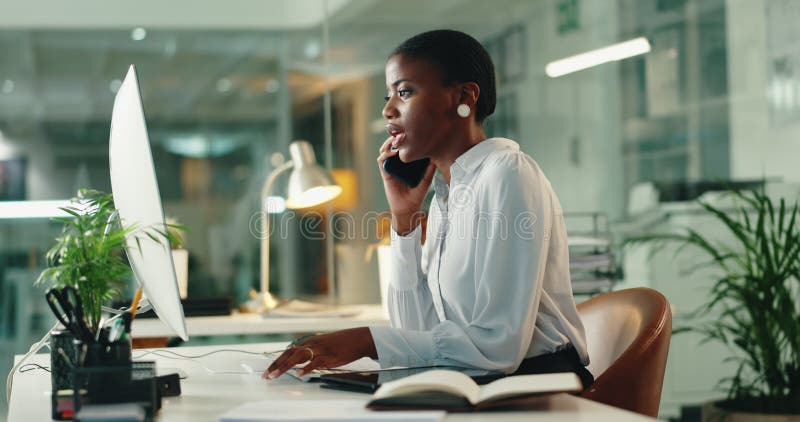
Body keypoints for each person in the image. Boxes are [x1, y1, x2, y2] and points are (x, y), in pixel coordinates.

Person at [265, 29, 593, 388]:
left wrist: (368, 340)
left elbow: (500, 348)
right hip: (478, 380)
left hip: (538, 387)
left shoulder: (508, 173)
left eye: (404, 92)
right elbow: (419, 332)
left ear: (464, 97)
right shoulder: (446, 197)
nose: (388, 110)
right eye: (388, 95)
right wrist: (404, 224)